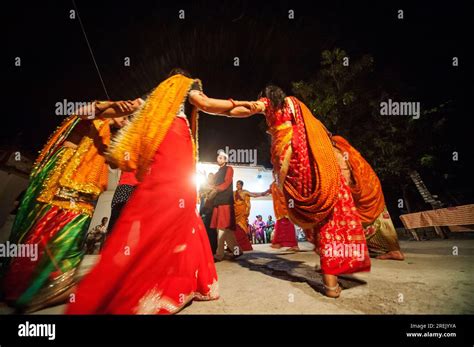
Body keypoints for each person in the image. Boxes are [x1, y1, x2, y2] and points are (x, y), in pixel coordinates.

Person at [67, 68, 254, 314]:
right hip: (173, 148)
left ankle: (140, 273)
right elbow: (206, 104)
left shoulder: (154, 97)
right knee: (175, 214)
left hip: (153, 161)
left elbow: (109, 110)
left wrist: (94, 108)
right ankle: (167, 280)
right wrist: (247, 105)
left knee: (141, 219)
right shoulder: (187, 84)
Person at [223, 85, 371, 298]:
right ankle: (331, 279)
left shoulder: (271, 109)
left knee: (320, 221)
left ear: (267, 99)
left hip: (298, 174)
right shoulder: (300, 115)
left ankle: (330, 278)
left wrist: (210, 105)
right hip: (318, 170)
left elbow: (244, 109)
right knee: (330, 219)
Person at [0, 98, 141, 312]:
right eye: (125, 116)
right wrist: (107, 107)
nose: (126, 120)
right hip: (65, 186)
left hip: (83, 193)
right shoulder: (93, 119)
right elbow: (82, 111)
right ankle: (36, 289)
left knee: (67, 236)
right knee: (53, 233)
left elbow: (119, 162)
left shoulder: (107, 138)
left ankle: (44, 287)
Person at [330, 135, 404, 260]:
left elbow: (345, 172)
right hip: (371, 186)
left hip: (361, 191)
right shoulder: (349, 151)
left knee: (346, 220)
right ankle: (394, 250)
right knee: (382, 218)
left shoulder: (336, 151)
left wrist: (342, 193)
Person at [208, 151, 241, 262]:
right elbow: (212, 185)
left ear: (226, 160)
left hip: (225, 201)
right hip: (218, 202)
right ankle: (238, 251)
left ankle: (219, 255)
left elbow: (227, 183)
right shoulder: (217, 173)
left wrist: (215, 190)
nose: (219, 159)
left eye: (222, 157)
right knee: (227, 231)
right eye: (218, 157)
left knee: (221, 229)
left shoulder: (229, 169)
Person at [233, 180, 269, 251]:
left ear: (241, 185)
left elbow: (254, 195)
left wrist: (262, 194)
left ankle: (244, 246)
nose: (237, 186)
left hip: (242, 214)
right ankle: (235, 245)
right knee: (235, 230)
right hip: (235, 213)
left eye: (238, 184)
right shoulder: (234, 193)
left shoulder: (245, 192)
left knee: (241, 229)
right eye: (236, 184)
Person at [270, 182, 299, 251]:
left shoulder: (285, 182)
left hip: (286, 207)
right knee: (279, 226)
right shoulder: (274, 184)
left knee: (289, 226)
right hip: (280, 209)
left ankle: (293, 245)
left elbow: (290, 194)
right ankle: (279, 243)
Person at [199, 173, 217, 254]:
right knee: (204, 229)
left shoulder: (215, 186)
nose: (210, 178)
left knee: (212, 230)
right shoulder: (204, 186)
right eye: (209, 177)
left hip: (212, 210)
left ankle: (213, 249)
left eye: (212, 177)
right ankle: (205, 248)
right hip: (204, 210)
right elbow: (201, 192)